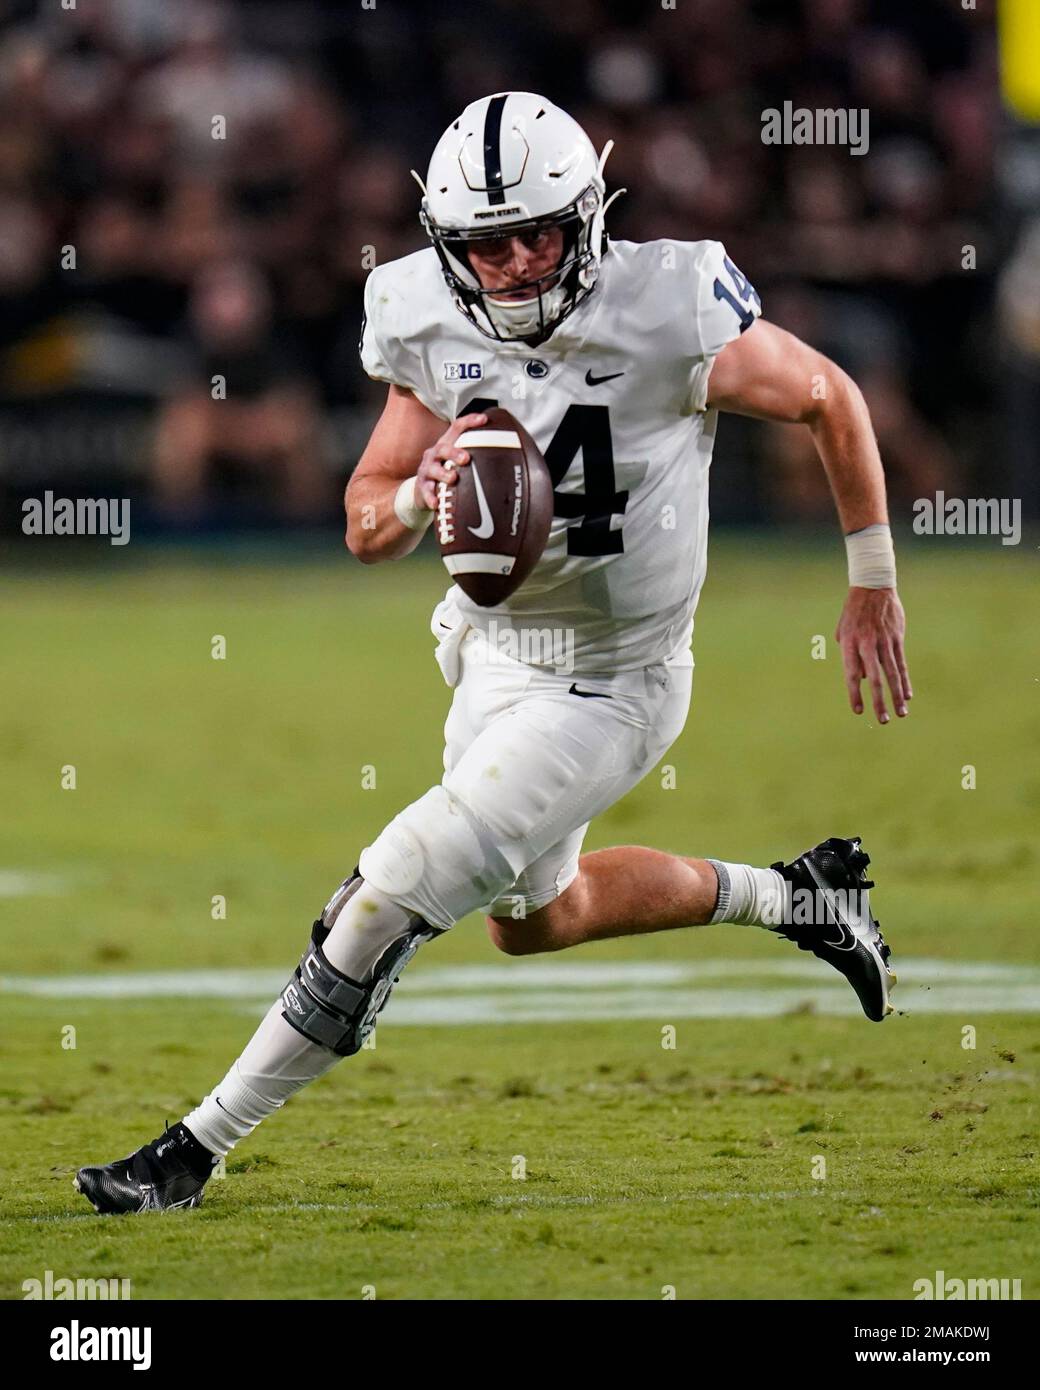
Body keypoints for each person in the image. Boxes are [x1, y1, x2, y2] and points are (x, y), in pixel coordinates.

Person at [75, 92, 910, 1215]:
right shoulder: (422, 315)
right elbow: (363, 518)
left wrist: (869, 580)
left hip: (616, 680)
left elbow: (828, 398)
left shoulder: (669, 304)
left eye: (540, 236)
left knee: (389, 889)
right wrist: (416, 499)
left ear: (589, 220)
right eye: (487, 244)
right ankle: (797, 899)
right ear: (444, 243)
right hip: (491, 655)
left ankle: (193, 1149)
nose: (515, 264)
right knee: (539, 921)